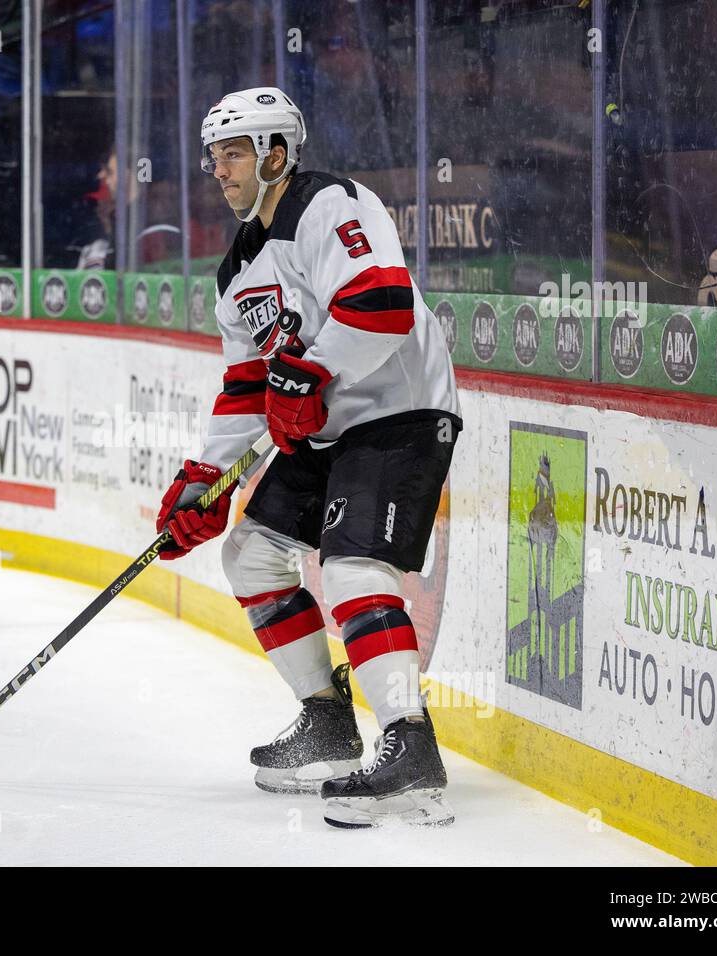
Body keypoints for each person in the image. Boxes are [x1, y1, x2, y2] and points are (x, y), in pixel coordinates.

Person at [154, 87, 462, 829]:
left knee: (353, 566)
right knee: (251, 556)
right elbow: (247, 384)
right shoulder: (235, 274)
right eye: (214, 157)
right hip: (325, 426)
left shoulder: (331, 205)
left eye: (233, 154)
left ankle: (409, 745)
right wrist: (206, 478)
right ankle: (327, 722)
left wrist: (314, 370)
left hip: (401, 409)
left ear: (276, 154)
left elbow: (383, 304)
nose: (219, 171)